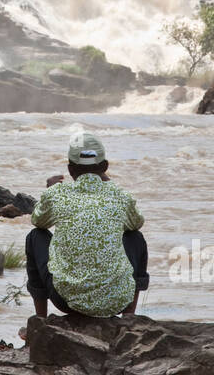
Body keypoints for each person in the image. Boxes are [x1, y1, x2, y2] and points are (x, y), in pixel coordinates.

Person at [23, 132, 148, 329]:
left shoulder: (57, 194)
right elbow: (136, 223)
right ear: (105, 167)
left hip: (66, 301)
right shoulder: (121, 196)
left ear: (69, 169)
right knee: (135, 237)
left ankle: (40, 321)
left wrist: (49, 190)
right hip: (116, 301)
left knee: (35, 236)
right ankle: (128, 320)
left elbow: (38, 221)